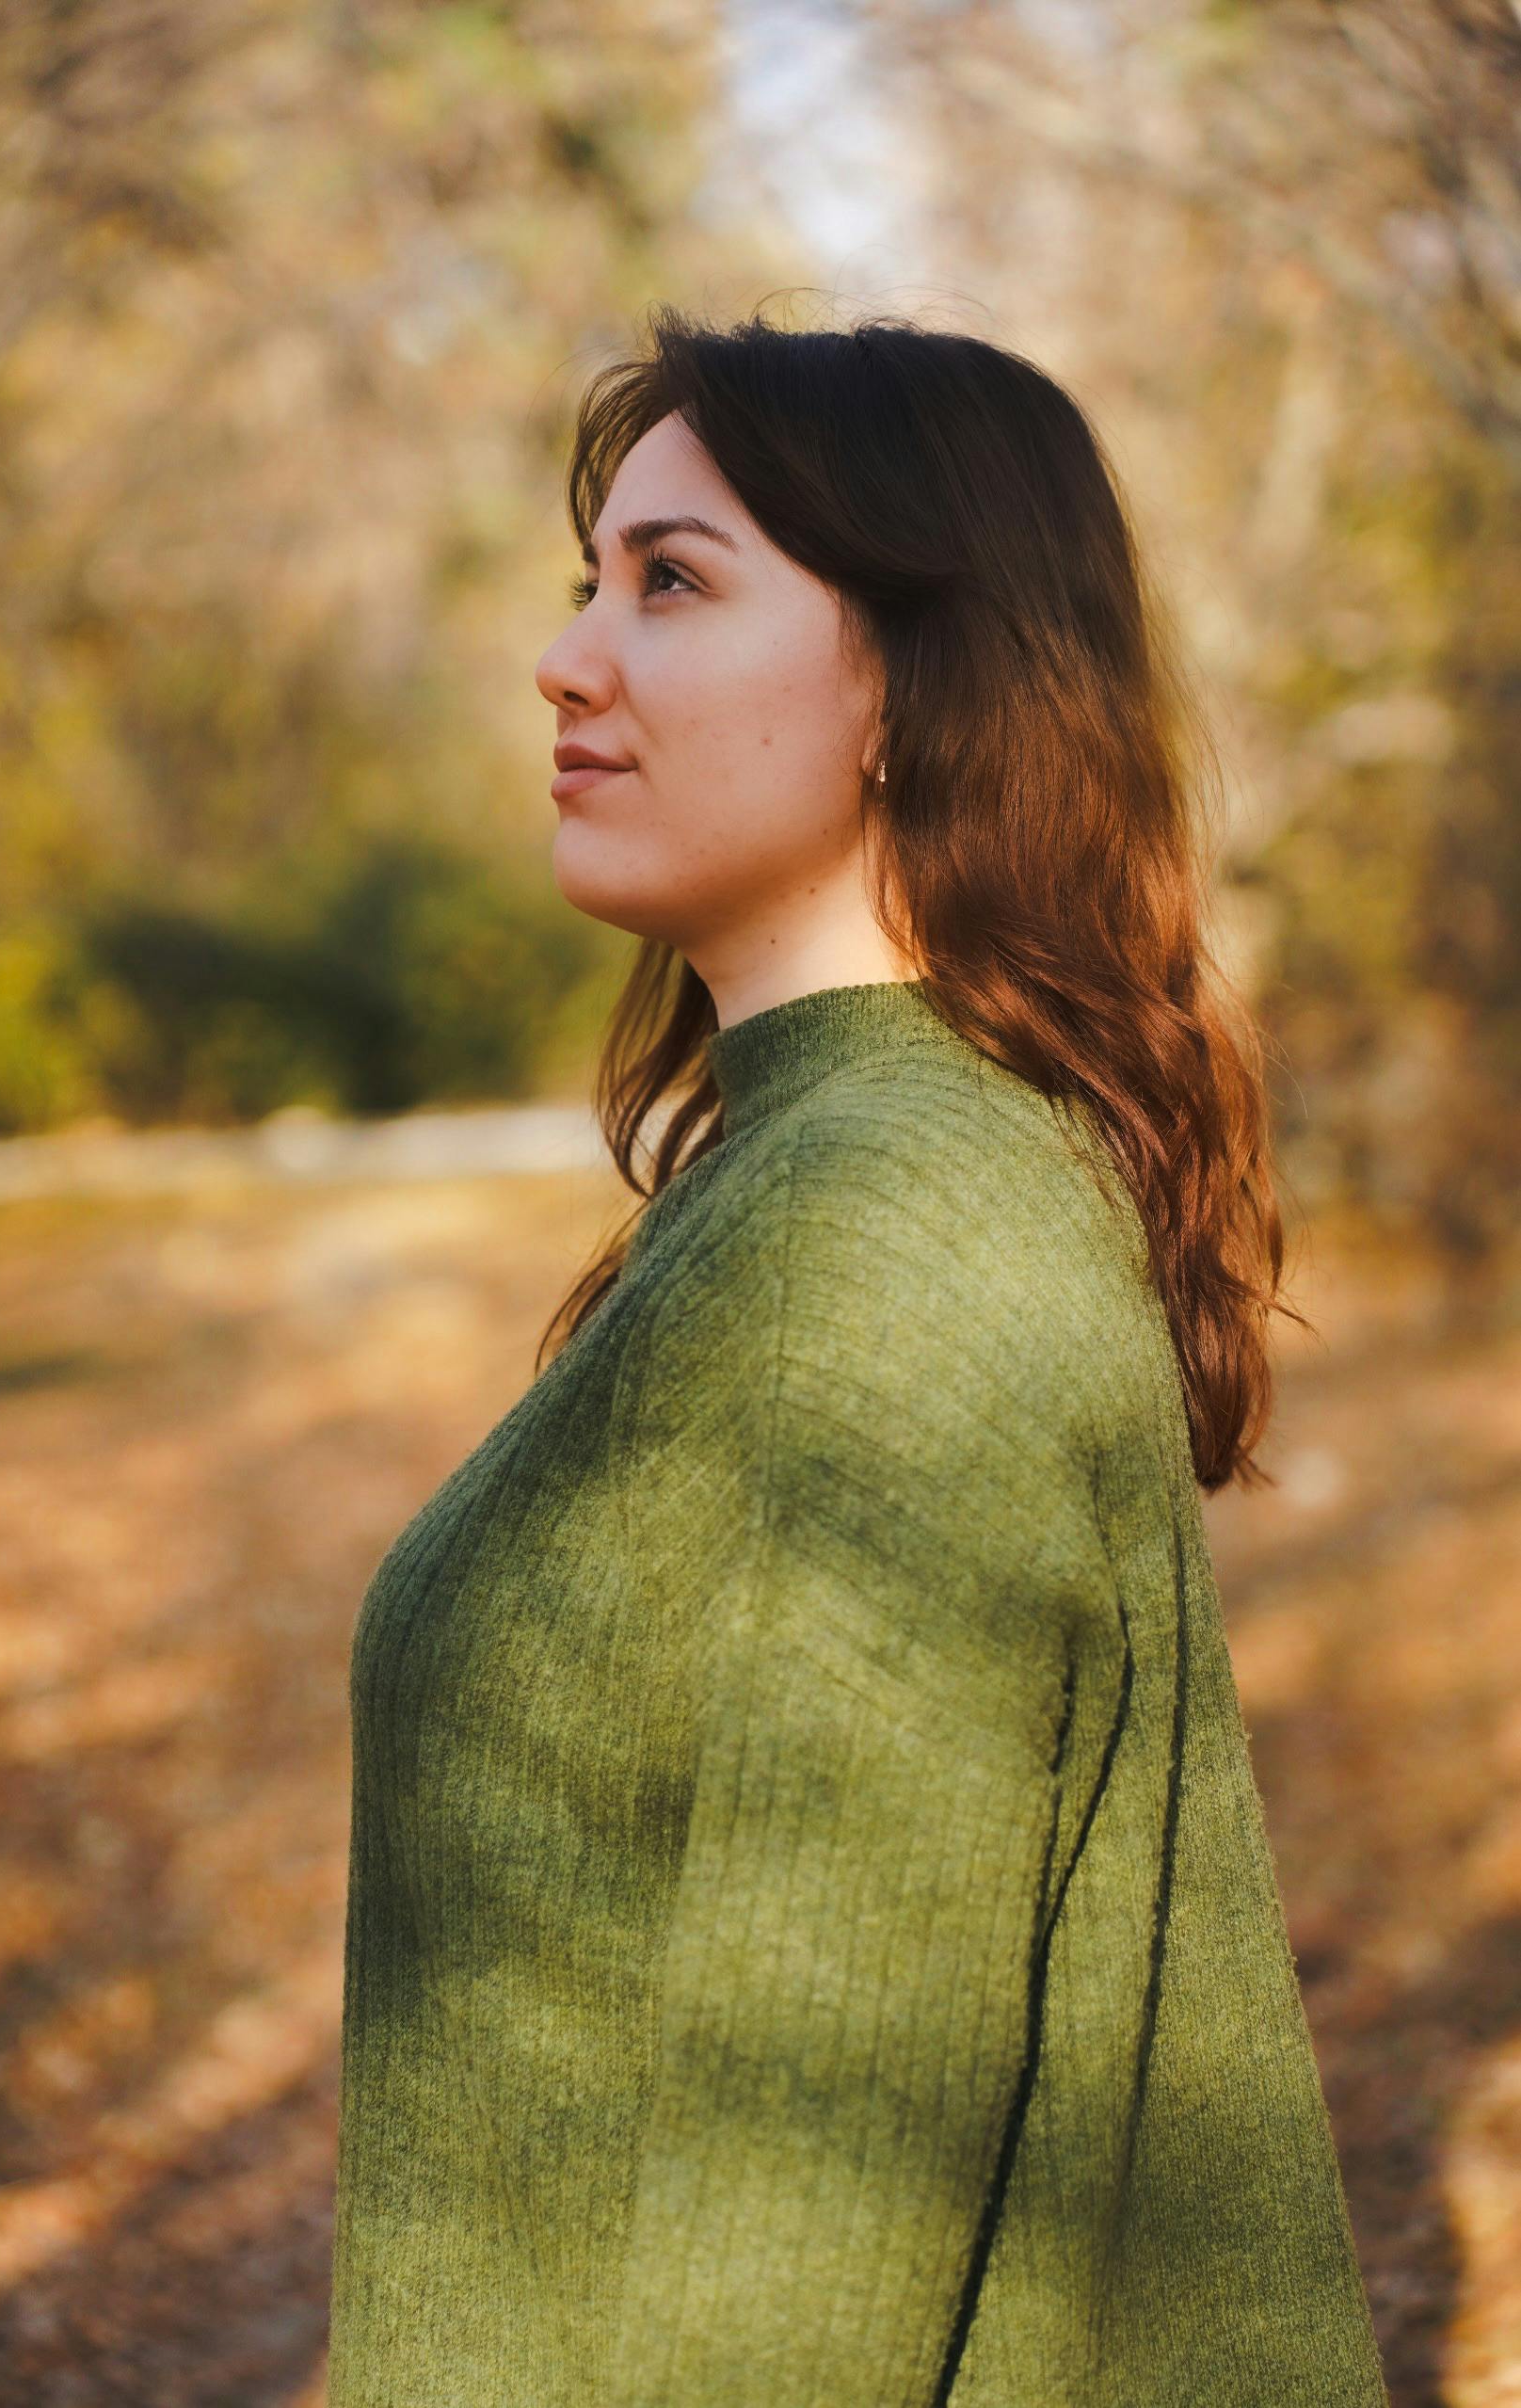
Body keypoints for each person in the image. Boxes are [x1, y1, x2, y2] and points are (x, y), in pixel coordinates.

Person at [325, 305, 1389, 2406]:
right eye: (589, 580)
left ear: (915, 683)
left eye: (673, 581)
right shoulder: (834, 1168)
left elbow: (808, 2224)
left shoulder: (893, 1237)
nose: (564, 660)